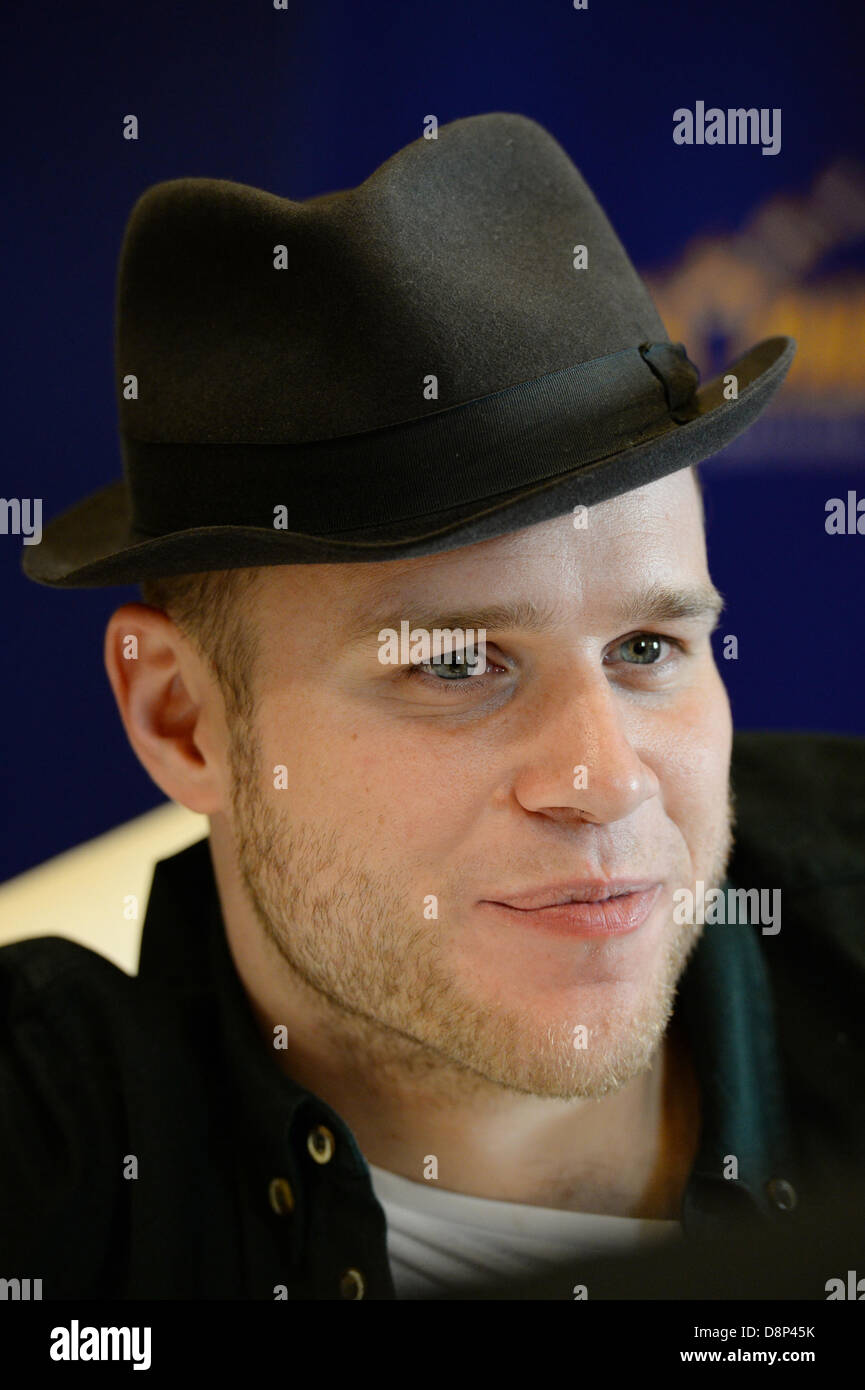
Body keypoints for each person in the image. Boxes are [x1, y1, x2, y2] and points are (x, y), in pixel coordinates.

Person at [3, 111, 862, 1301]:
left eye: (649, 645)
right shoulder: (58, 1171)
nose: (606, 778)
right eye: (457, 664)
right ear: (180, 719)